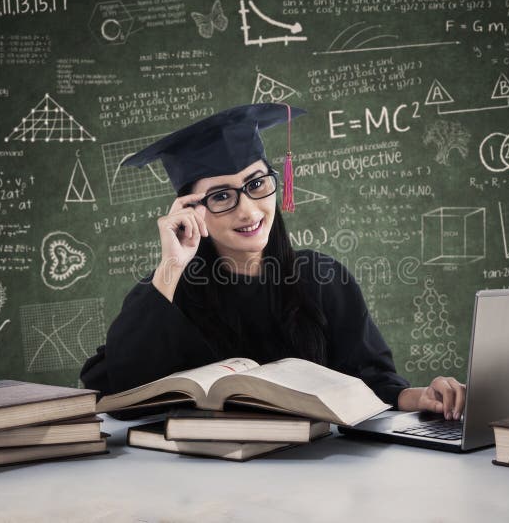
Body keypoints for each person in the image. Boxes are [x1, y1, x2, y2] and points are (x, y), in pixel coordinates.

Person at [80, 103, 466, 419]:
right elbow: (115, 386)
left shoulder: (322, 278)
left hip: (318, 469)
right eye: (221, 196)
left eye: (256, 183)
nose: (249, 210)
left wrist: (422, 396)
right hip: (208, 475)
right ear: (190, 210)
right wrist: (171, 266)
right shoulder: (170, 292)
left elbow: (373, 383)